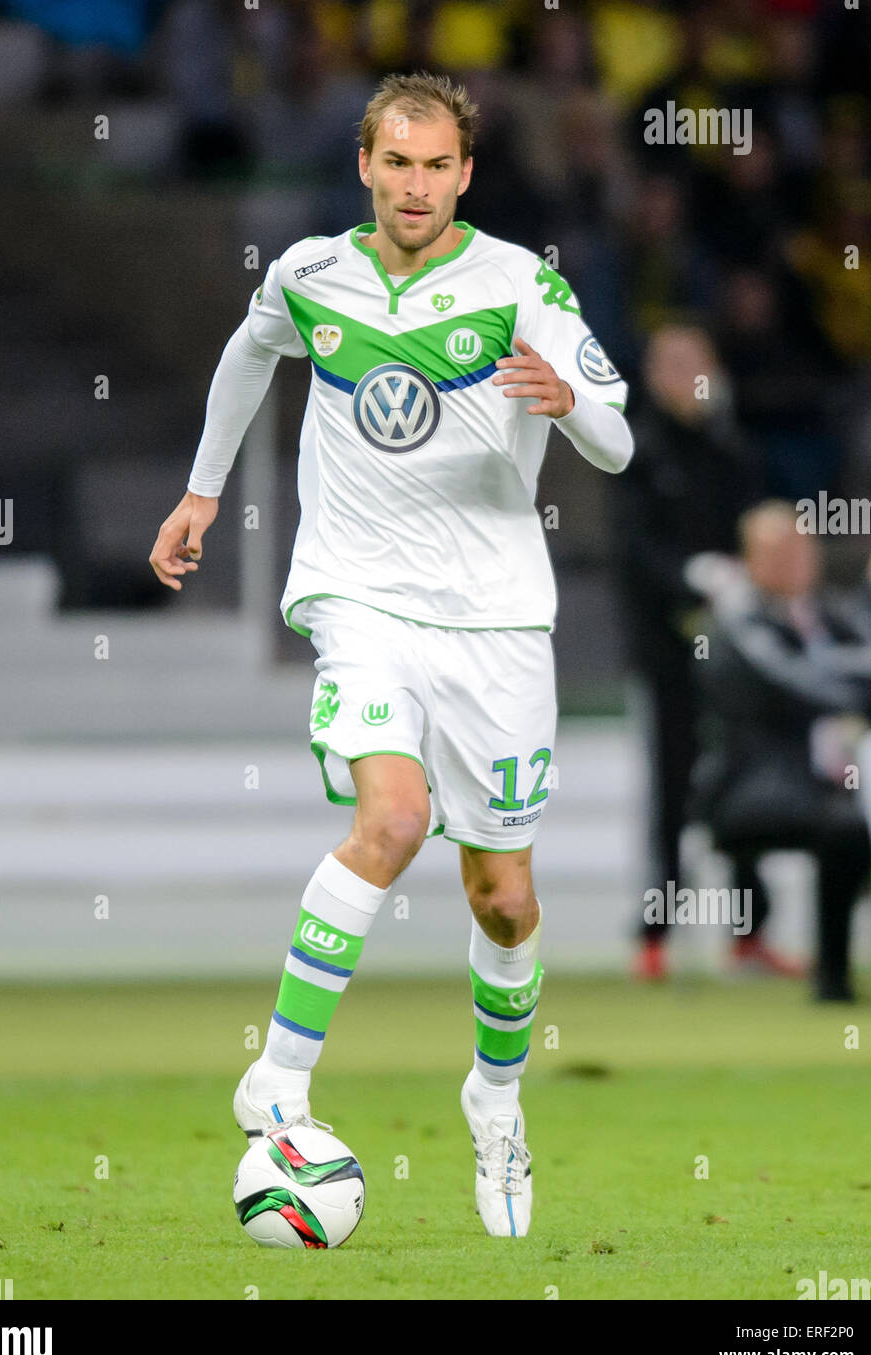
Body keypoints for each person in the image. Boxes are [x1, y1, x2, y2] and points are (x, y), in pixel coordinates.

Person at [149, 71, 633, 1237]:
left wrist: (565, 398)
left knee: (503, 897)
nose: (414, 185)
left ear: (464, 173)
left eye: (436, 165)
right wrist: (201, 494)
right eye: (395, 163)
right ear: (365, 166)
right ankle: (279, 1076)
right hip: (359, 598)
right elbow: (244, 356)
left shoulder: (522, 283)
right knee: (392, 820)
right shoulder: (310, 275)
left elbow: (616, 441)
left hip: (497, 617)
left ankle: (497, 1101)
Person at [609, 324, 774, 980]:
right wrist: (691, 578)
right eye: (672, 363)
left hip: (735, 657)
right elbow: (634, 552)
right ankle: (653, 936)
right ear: (652, 373)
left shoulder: (731, 448)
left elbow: (760, 529)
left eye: (695, 361)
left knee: (745, 786)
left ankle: (749, 934)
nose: (686, 375)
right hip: (665, 657)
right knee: (668, 796)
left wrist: (744, 581)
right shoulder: (637, 450)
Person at [689, 502, 871, 1002]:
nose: (793, 562)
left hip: (821, 784)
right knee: (847, 826)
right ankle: (833, 979)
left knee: (855, 818)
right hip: (748, 786)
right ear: (751, 560)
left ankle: (834, 970)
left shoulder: (831, 611)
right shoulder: (735, 619)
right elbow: (793, 682)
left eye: (800, 549)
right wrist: (856, 687)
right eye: (777, 552)